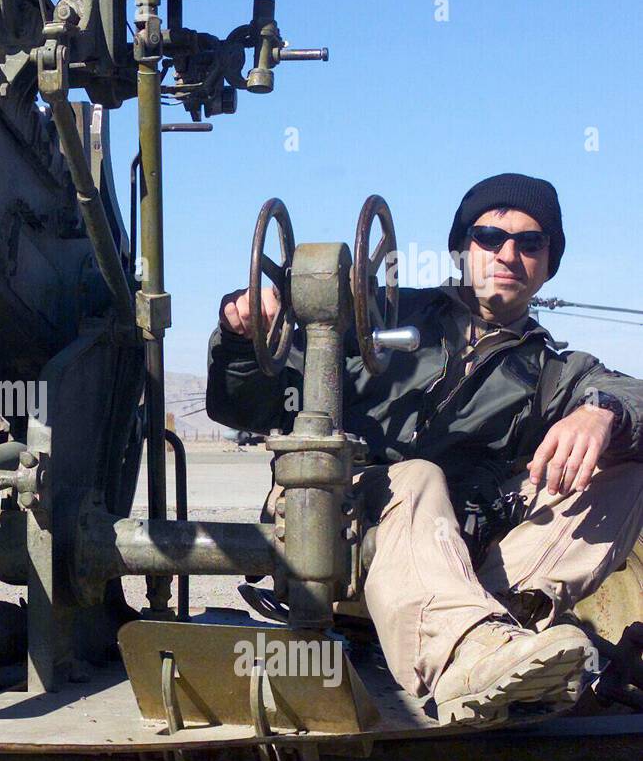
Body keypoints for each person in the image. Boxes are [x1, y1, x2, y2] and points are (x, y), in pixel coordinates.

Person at [208, 173, 643, 723]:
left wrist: (601, 411)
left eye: (530, 243)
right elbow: (243, 407)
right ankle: (464, 654)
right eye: (488, 237)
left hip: (467, 549)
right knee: (416, 475)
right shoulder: (378, 316)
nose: (507, 253)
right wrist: (241, 335)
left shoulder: (553, 371)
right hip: (347, 524)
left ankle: (496, 630)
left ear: (548, 262)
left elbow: (631, 395)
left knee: (628, 470)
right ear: (462, 248)